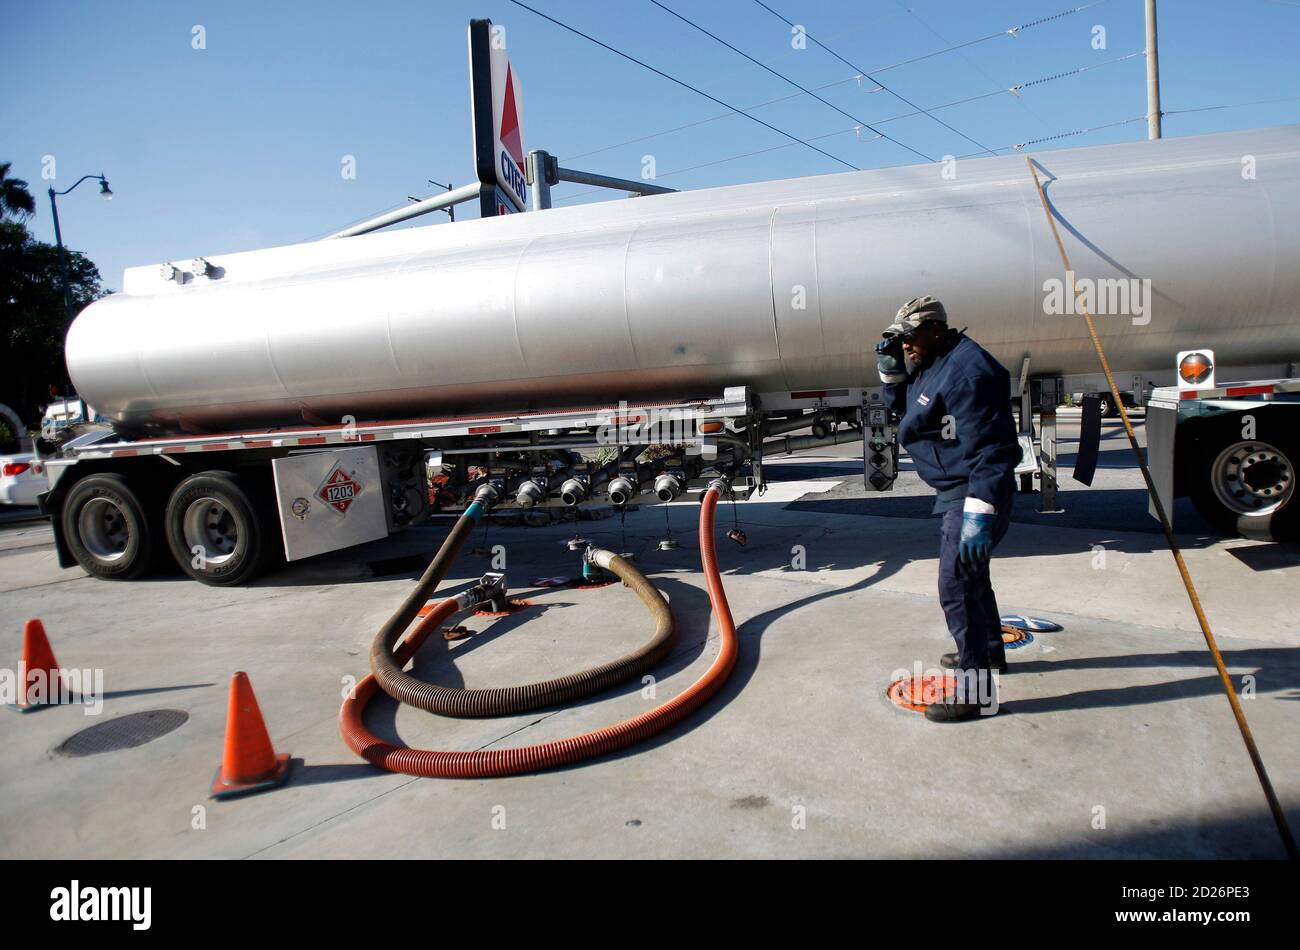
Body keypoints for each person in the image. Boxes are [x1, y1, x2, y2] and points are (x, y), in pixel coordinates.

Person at [876, 296, 1021, 722]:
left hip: (973, 492)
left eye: (909, 337)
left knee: (955, 586)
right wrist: (890, 375)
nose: (905, 346)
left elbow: (992, 452)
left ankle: (975, 692)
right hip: (955, 490)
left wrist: (980, 512)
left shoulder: (969, 373)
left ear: (936, 329)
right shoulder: (932, 361)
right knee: (973, 579)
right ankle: (989, 652)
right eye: (899, 339)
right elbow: (906, 412)